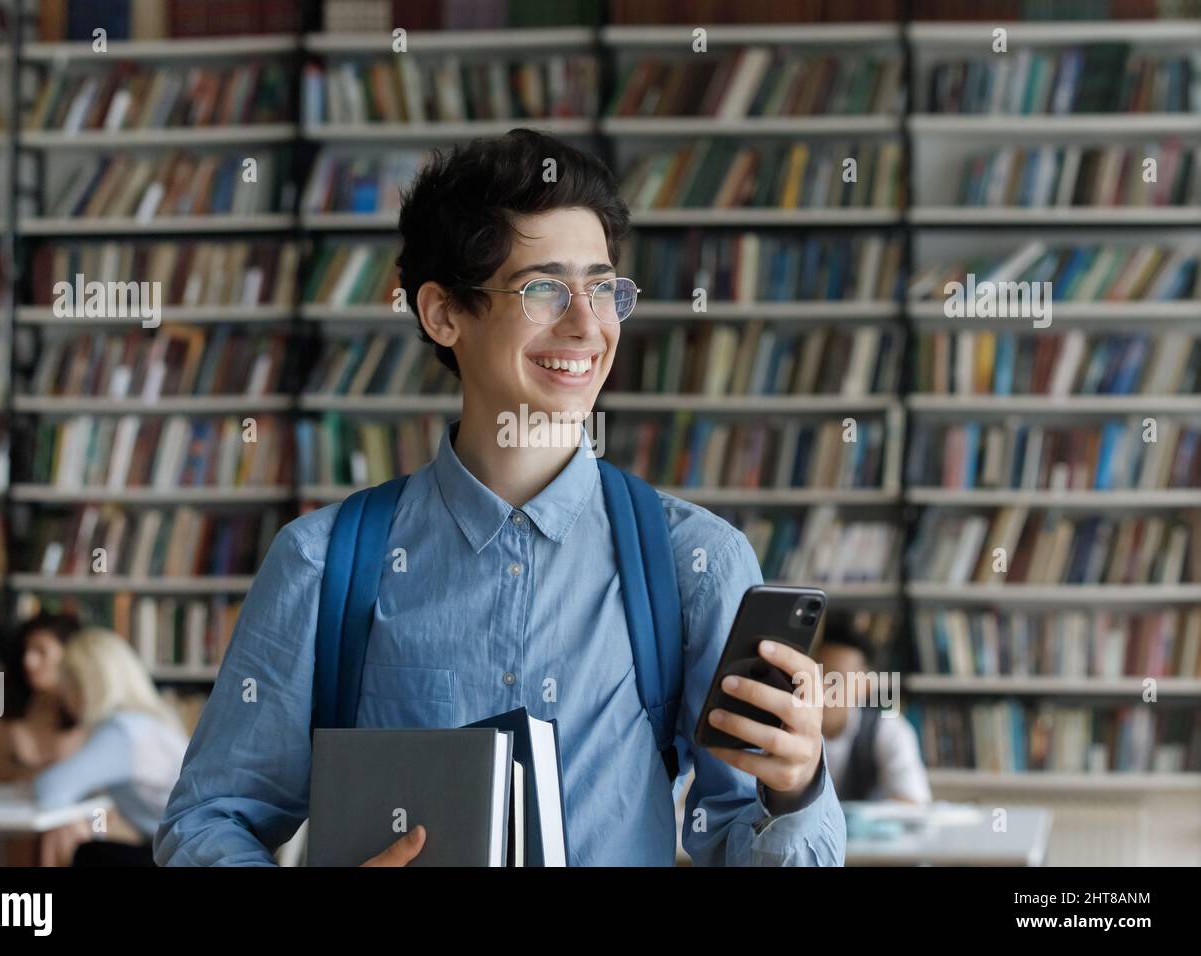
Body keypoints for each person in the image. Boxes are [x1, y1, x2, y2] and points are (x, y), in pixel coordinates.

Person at [156, 128, 845, 866]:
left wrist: (795, 790)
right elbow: (206, 822)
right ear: (443, 313)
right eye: (545, 288)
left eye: (604, 287)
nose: (587, 325)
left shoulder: (694, 561)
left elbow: (740, 839)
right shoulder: (321, 563)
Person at [31, 627, 189, 866]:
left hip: (179, 858)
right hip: (189, 851)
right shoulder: (149, 722)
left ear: (84, 686)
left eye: (67, 688)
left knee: (88, 853)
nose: (65, 700)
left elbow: (50, 789)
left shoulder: (122, 731)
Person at [816, 612, 931, 805]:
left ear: (866, 686)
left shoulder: (889, 729)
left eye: (837, 679)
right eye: (817, 674)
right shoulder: (785, 726)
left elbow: (913, 802)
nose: (822, 687)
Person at [0, 611, 86, 783]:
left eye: (41, 651)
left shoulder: (89, 712)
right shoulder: (6, 712)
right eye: (25, 651)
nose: (28, 661)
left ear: (70, 656)